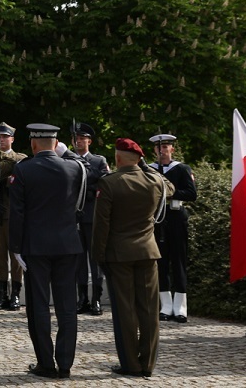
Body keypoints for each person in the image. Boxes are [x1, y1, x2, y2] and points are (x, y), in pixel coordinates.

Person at [10, 122, 87, 379]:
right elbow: (80, 202)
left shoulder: (24, 170)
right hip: (67, 244)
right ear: (56, 144)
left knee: (39, 306)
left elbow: (17, 213)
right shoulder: (75, 168)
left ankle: (46, 362)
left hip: (36, 246)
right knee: (67, 306)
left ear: (33, 144)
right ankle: (65, 363)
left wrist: (16, 247)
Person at [93, 138, 173, 378]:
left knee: (125, 310)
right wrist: (146, 167)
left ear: (117, 159)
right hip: (148, 252)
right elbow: (171, 187)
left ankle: (130, 363)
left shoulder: (110, 183)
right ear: (140, 159)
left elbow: (101, 226)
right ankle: (147, 363)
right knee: (149, 309)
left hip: (118, 255)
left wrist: (98, 257)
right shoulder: (154, 182)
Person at [149, 133, 198, 323]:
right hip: (158, 217)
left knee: (178, 260)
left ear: (172, 149)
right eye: (159, 147)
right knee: (161, 261)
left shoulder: (182, 169)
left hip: (176, 216)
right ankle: (166, 305)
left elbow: (191, 193)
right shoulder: (150, 170)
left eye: (166, 147)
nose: (162, 150)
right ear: (155, 150)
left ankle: (180, 306)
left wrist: (168, 193)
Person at [71, 121, 110, 315]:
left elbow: (104, 182)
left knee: (95, 260)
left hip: (92, 215)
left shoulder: (98, 160)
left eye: (82, 139)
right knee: (79, 260)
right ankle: (82, 298)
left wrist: (88, 176)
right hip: (75, 216)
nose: (78, 143)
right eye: (76, 139)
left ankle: (96, 299)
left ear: (89, 141)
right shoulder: (69, 160)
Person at [0, 122, 26, 311]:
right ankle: (2, 294)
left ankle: (16, 294)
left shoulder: (20, 158)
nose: (2, 140)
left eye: (5, 137)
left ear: (12, 138)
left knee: (15, 255)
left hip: (13, 214)